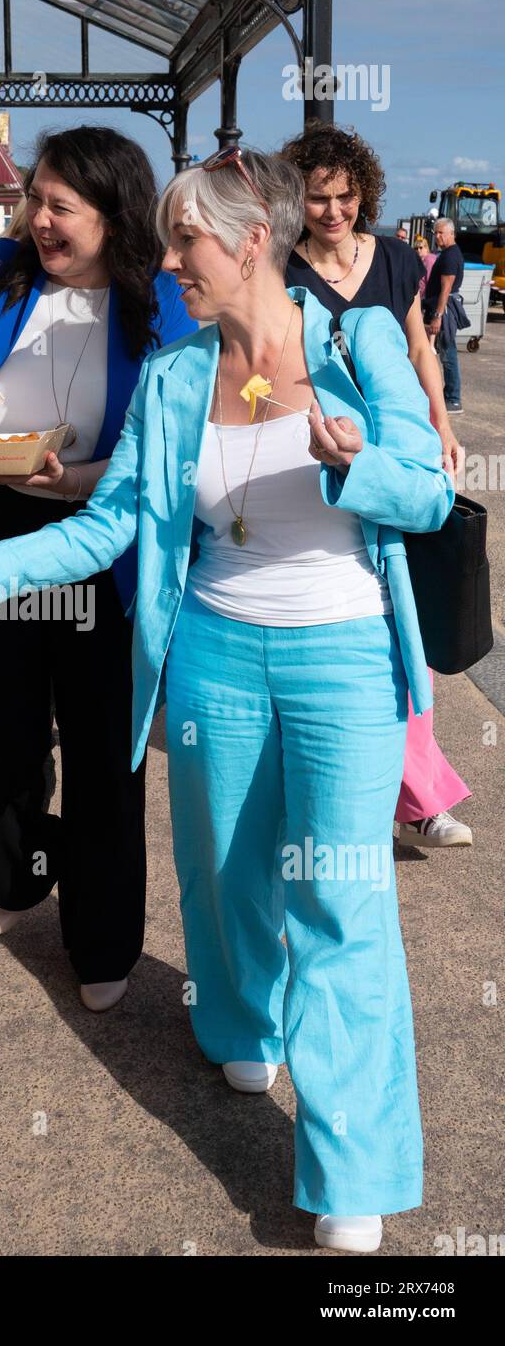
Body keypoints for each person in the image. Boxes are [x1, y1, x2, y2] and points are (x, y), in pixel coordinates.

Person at [0, 146, 454, 1252]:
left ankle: (349, 1158)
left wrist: (356, 460)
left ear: (252, 240)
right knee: (221, 873)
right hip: (214, 654)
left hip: (342, 657)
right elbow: (109, 521)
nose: (167, 263)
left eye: (184, 242)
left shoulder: (355, 346)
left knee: (341, 903)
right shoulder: (174, 378)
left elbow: (427, 492)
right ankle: (236, 1018)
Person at [0, 126, 193, 1012]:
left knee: (106, 750)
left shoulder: (165, 307)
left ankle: (103, 933)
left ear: (114, 217)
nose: (38, 218)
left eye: (59, 206)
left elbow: (167, 453)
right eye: (34, 197)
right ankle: (32, 858)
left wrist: (75, 477)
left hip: (103, 543)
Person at [281, 122, 471, 848]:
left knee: (406, 622)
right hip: (321, 459)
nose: (333, 211)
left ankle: (421, 795)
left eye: (345, 196)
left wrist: (442, 427)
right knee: (358, 627)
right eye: (318, 197)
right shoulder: (279, 267)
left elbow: (421, 345)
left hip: (392, 454)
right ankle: (387, 790)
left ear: (365, 192)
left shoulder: (394, 257)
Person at [424, 217, 466, 415]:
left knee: (448, 355)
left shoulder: (450, 256)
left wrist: (438, 316)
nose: (437, 236)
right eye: (436, 233)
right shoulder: (449, 253)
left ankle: (453, 399)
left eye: (441, 233)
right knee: (447, 353)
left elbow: (446, 287)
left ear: (451, 233)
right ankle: (449, 394)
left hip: (445, 309)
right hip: (443, 307)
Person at [413, 234, 436, 299]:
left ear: (426, 248)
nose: (418, 250)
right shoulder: (419, 260)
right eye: (416, 248)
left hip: (426, 297)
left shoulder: (429, 260)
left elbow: (430, 281)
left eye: (421, 247)